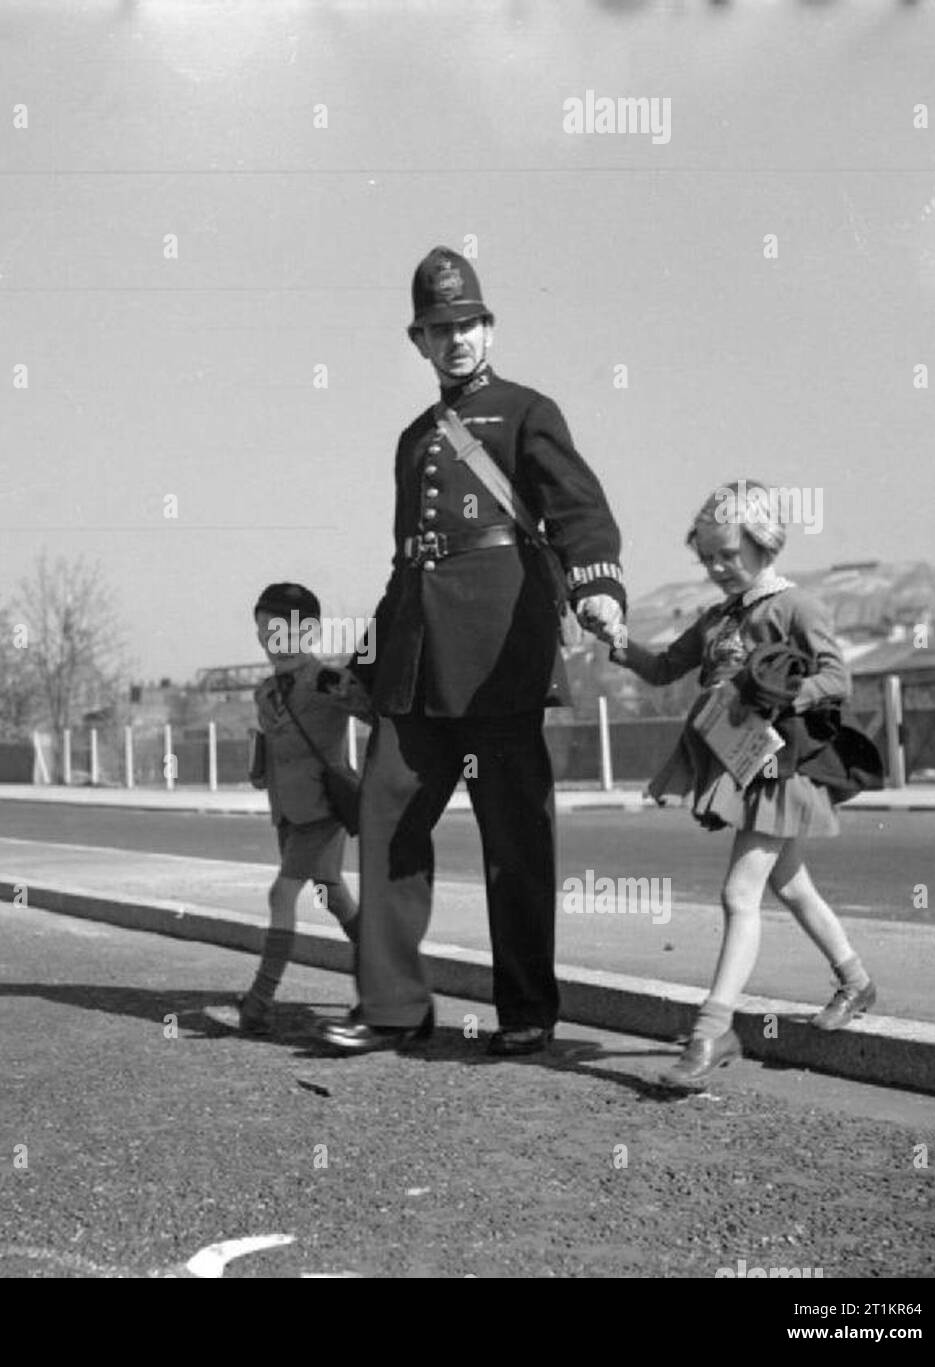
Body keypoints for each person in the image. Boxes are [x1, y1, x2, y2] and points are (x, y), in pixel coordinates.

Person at [318, 246, 626, 1057]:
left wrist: (599, 584)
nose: (456, 338)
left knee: (515, 843)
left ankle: (525, 1010)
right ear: (417, 339)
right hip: (418, 668)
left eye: (468, 323)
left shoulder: (528, 412)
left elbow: (580, 512)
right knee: (384, 823)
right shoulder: (412, 437)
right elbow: (405, 560)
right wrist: (368, 661)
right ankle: (392, 1007)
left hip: (500, 659)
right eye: (438, 327)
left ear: (489, 328)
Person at [588, 480, 881, 1090]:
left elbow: (837, 678)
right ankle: (856, 981)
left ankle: (713, 1029)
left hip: (781, 768)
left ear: (762, 542)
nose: (719, 567)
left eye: (729, 554)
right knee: (793, 888)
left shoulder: (796, 607)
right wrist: (616, 640)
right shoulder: (718, 617)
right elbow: (667, 667)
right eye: (709, 557)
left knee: (738, 895)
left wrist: (779, 695)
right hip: (744, 765)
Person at [241, 582, 370, 1034]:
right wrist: (259, 767)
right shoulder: (264, 691)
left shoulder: (330, 682)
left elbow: (379, 715)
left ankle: (259, 1000)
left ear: (308, 632)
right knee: (335, 898)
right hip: (286, 813)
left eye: (276, 629)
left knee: (281, 894)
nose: (266, 638)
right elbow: (269, 742)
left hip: (323, 811)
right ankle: (384, 976)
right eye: (260, 629)